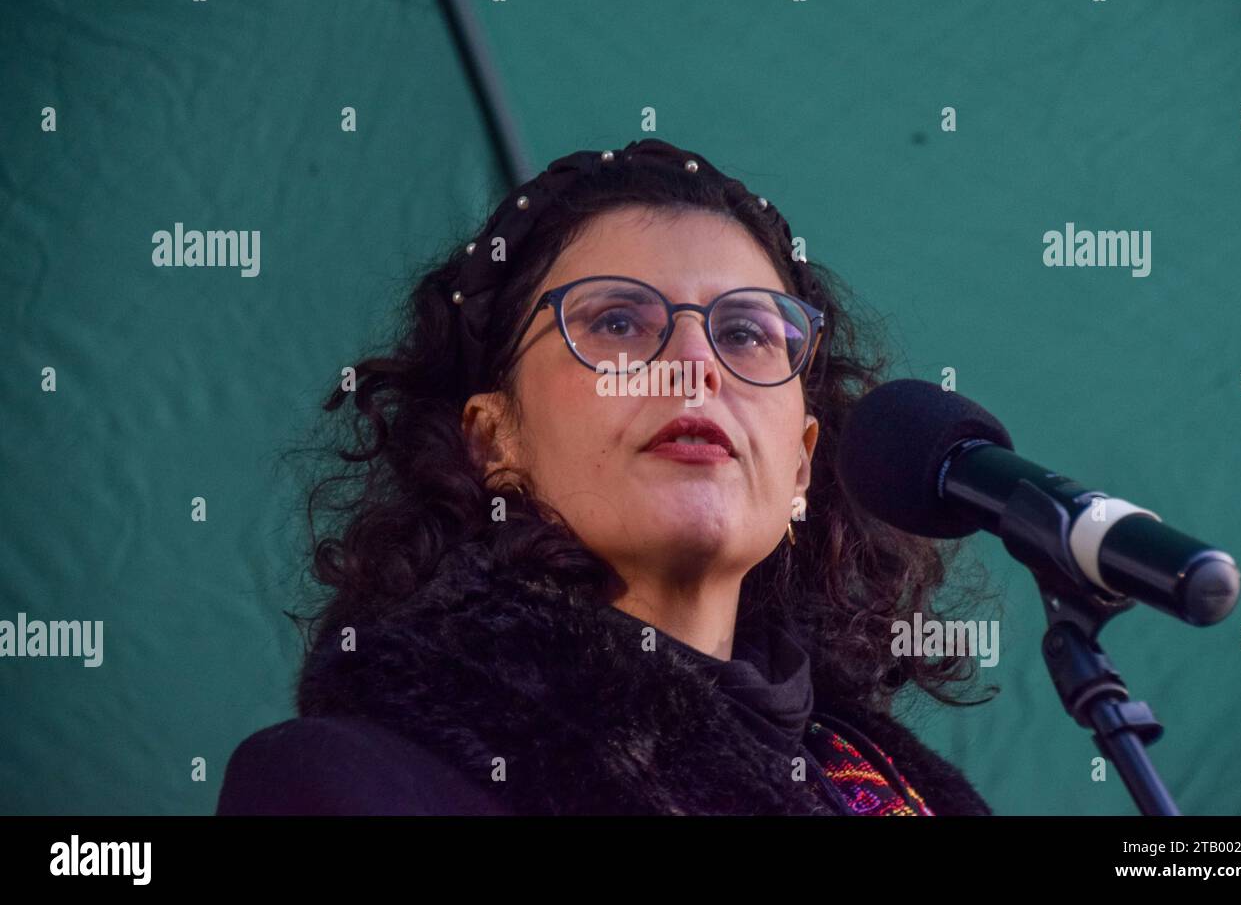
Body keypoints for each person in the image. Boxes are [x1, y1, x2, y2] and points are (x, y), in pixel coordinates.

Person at [216, 138, 997, 816]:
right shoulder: (347, 780)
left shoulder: (905, 794)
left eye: (746, 332)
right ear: (492, 441)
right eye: (618, 322)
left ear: (800, 462)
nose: (696, 366)